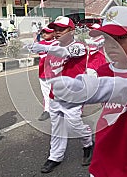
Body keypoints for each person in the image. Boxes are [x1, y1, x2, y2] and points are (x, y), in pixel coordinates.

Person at [49, 6, 127, 176]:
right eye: (107, 38)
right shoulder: (103, 70)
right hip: (104, 155)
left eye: (120, 38)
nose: (111, 45)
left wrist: (89, 89)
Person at [28, 16, 94, 173]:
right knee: (57, 127)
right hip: (56, 94)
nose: (57, 33)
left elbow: (65, 52)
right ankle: (55, 157)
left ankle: (88, 142)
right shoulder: (53, 45)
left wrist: (45, 48)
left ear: (72, 30)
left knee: (74, 125)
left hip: (74, 94)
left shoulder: (79, 46)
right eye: (55, 29)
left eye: (61, 29)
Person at [35, 26, 55, 121]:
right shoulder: (40, 43)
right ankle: (47, 110)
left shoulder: (57, 44)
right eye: (43, 32)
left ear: (53, 33)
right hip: (43, 72)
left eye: (47, 32)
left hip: (55, 73)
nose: (44, 34)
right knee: (45, 92)